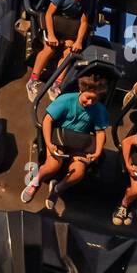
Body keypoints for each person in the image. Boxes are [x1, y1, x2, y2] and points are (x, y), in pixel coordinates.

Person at [23, 72, 109, 209]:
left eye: (95, 100)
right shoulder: (66, 100)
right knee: (52, 166)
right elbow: (47, 121)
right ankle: (35, 181)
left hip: (79, 143)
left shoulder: (99, 110)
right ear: (81, 91)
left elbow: (100, 132)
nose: (90, 103)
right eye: (88, 98)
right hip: (59, 138)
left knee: (78, 173)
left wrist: (97, 152)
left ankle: (57, 189)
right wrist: (49, 145)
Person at [24, 0, 103, 103]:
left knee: (69, 53)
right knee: (49, 48)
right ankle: (33, 80)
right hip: (53, 27)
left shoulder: (87, 1)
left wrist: (78, 41)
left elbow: (84, 22)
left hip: (69, 31)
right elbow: (48, 14)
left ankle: (56, 84)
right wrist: (52, 35)